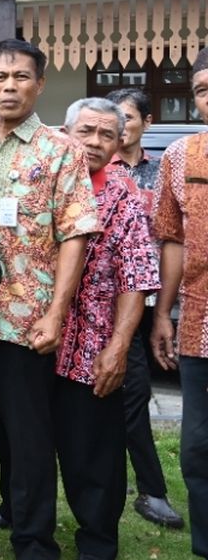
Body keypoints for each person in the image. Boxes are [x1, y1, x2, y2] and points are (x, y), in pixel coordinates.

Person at [0, 39, 101, 560]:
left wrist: (57, 313)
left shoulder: (62, 152)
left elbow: (76, 234)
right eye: (0, 76)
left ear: (39, 85)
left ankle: (34, 547)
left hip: (26, 321)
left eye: (21, 77)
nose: (9, 86)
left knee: (29, 438)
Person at [54, 98, 160, 560]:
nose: (93, 143)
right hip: (34, 343)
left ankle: (97, 539)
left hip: (90, 346)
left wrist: (118, 348)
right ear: (66, 131)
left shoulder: (123, 198)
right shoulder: (45, 184)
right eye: (86, 131)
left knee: (91, 450)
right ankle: (21, 518)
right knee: (25, 442)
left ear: (120, 143)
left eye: (105, 135)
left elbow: (136, 277)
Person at [105, 87, 185, 530]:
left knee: (134, 395)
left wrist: (161, 313)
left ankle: (151, 491)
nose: (119, 126)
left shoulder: (160, 173)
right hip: (97, 303)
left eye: (128, 118)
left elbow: (172, 238)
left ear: (146, 124)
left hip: (144, 300)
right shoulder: (89, 169)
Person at [152, 47, 208, 560]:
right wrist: (162, 313)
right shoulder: (179, 156)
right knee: (197, 445)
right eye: (202, 90)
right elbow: (170, 239)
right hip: (199, 324)